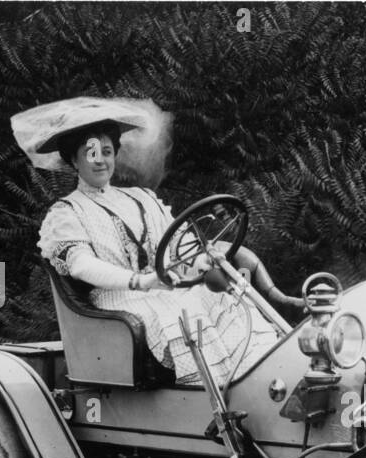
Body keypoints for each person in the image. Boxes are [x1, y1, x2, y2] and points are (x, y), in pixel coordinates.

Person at [34, 116, 279, 387]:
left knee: (226, 299)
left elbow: (179, 244)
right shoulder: (66, 213)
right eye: (90, 153)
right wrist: (142, 281)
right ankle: (210, 397)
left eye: (106, 151)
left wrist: (201, 260)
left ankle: (259, 382)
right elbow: (81, 265)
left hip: (163, 290)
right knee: (185, 314)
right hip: (120, 300)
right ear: (74, 160)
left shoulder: (142, 197)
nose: (100, 160)